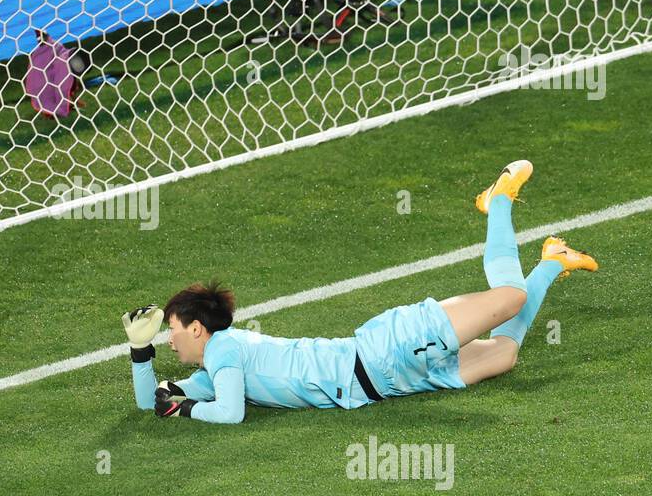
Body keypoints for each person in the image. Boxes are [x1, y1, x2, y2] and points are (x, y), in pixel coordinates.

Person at [121, 160, 598, 423]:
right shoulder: (216, 365)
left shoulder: (225, 352)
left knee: (508, 301)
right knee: (505, 355)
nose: (170, 339)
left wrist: (186, 412)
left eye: (171, 330)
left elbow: (228, 414)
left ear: (199, 328)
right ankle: (551, 263)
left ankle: (497, 203)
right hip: (388, 383)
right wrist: (141, 353)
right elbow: (153, 405)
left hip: (385, 353)